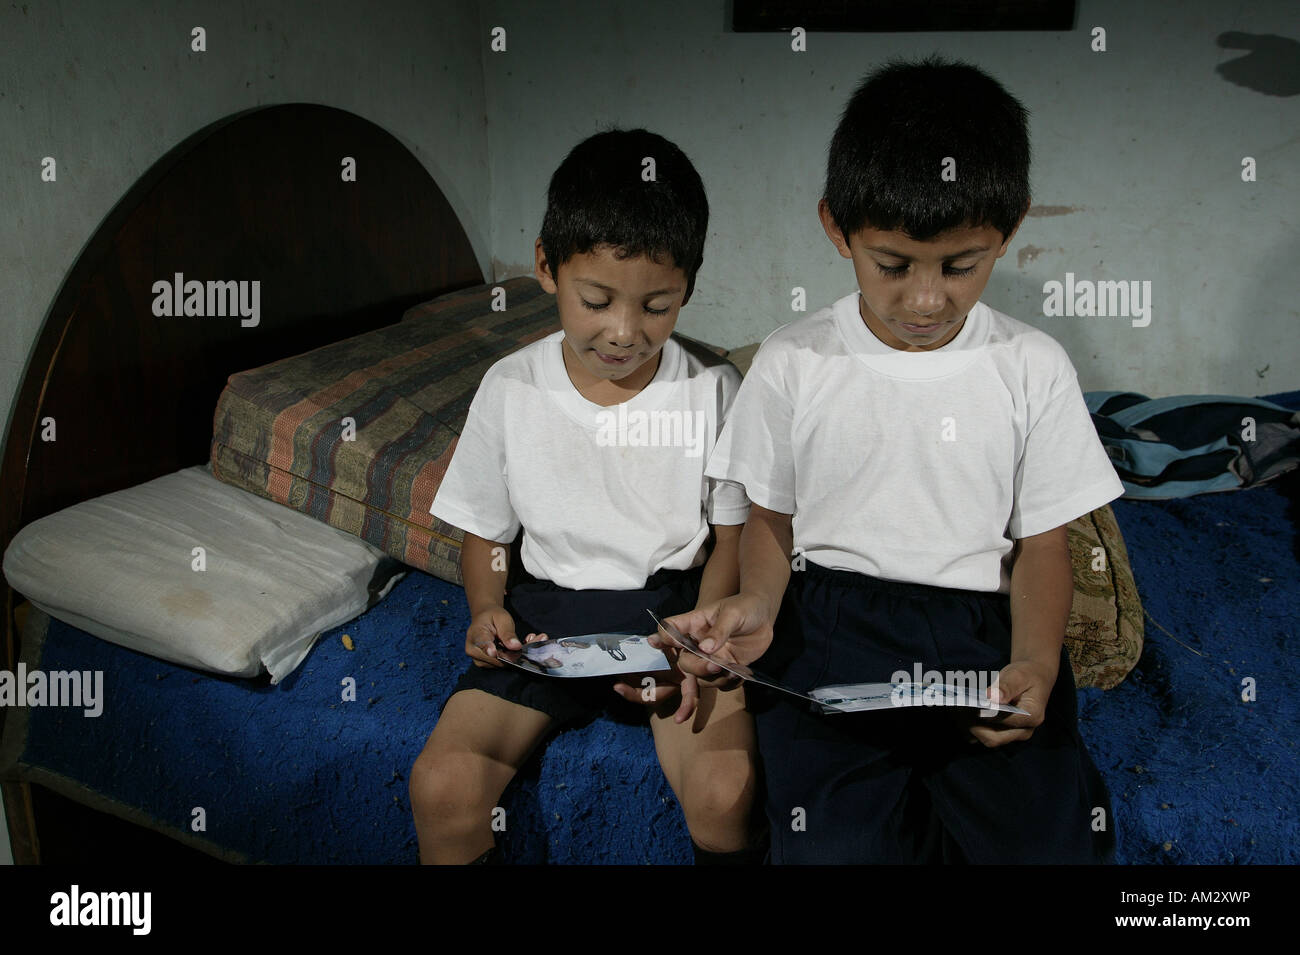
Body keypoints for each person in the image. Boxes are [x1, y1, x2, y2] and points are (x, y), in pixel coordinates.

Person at [663, 57, 1123, 864]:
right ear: (836, 227)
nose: (925, 299)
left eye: (960, 264)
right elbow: (771, 517)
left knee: (1049, 844)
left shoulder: (1032, 365)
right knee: (832, 848)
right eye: (893, 264)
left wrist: (1035, 662)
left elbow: (1045, 545)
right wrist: (762, 606)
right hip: (832, 627)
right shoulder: (794, 359)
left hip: (980, 630)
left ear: (1010, 227)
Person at [410, 129, 762, 865]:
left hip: (672, 613)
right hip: (547, 622)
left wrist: (698, 640)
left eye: (659, 306)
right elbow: (488, 534)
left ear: (689, 289)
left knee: (726, 789)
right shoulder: (511, 388)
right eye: (596, 300)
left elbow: (731, 540)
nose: (625, 332)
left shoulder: (713, 390)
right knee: (443, 784)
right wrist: (486, 608)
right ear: (546, 266)